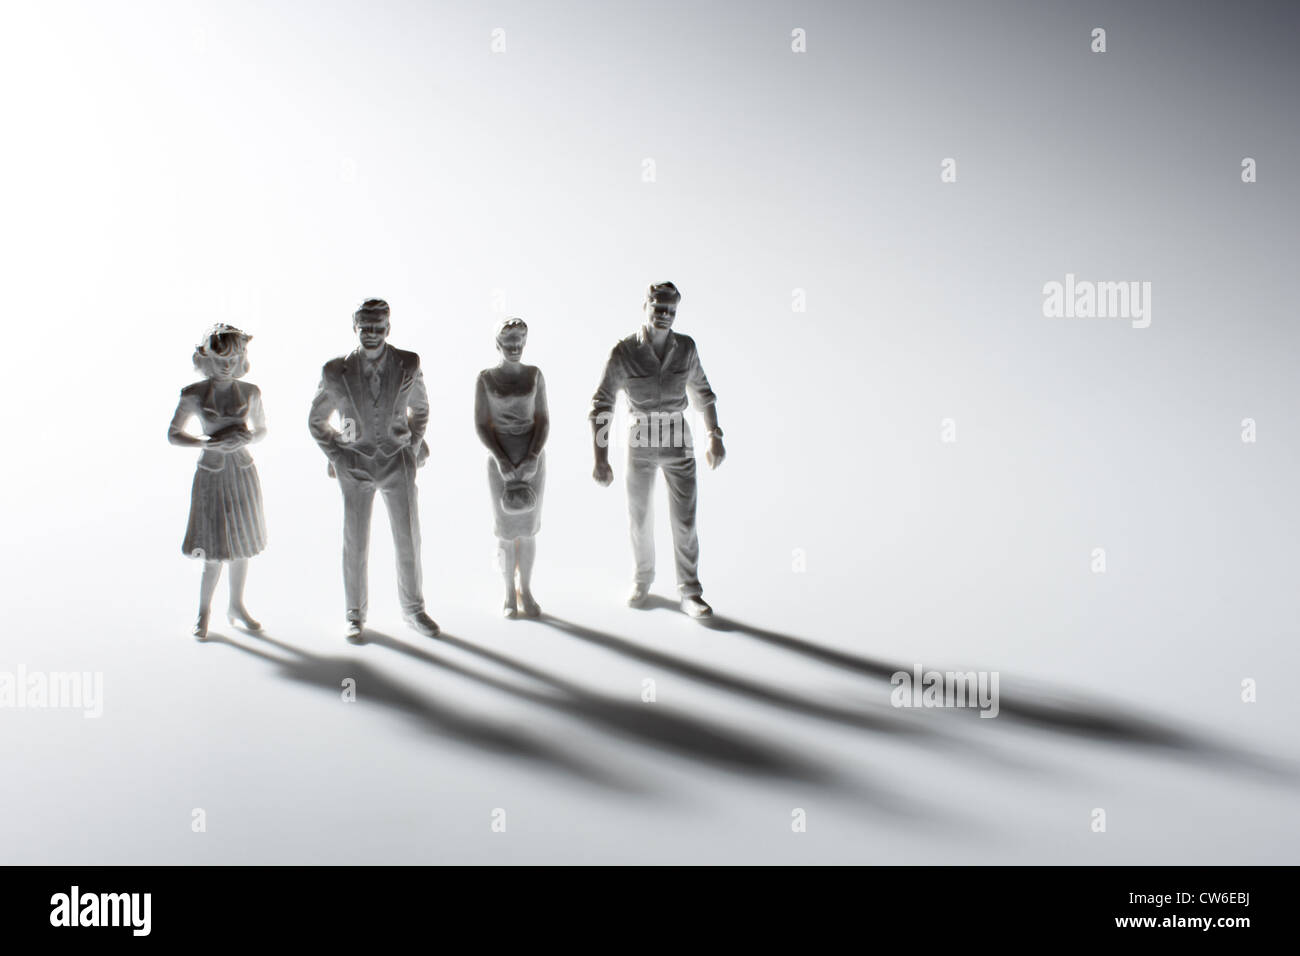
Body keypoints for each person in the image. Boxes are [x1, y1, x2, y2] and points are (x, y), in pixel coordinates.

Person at [589, 282, 726, 618]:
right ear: (646, 306)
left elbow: (703, 393)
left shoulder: (686, 348)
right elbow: (601, 404)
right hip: (640, 439)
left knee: (685, 521)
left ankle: (690, 591)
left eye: (671, 311)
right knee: (639, 517)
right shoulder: (624, 351)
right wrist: (600, 458)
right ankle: (642, 578)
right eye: (658, 308)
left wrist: (714, 434)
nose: (664, 315)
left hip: (678, 437)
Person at [308, 298, 439, 641]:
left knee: (408, 538)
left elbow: (421, 409)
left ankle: (414, 609)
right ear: (355, 328)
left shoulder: (408, 363)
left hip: (398, 462)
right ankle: (355, 613)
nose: (371, 334)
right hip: (356, 465)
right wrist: (338, 454)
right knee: (356, 541)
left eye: (378, 328)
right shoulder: (335, 371)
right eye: (365, 328)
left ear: (388, 328)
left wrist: (410, 446)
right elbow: (317, 421)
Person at [169, 324, 268, 640]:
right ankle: (204, 612)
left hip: (241, 471)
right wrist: (206, 442)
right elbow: (174, 434)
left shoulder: (250, 392)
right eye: (219, 359)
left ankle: (237, 605)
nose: (226, 366)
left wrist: (246, 436)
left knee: (242, 547)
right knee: (213, 552)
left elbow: (262, 429)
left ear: (241, 359)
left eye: (233, 359)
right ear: (207, 358)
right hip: (212, 474)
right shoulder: (194, 394)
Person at [474, 318, 549, 618]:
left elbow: (543, 419)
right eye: (509, 342)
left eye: (520, 341)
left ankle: (526, 590)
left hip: (533, 457)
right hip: (500, 458)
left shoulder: (534, 375)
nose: (515, 347)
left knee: (528, 530)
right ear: (498, 345)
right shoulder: (486, 379)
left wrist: (533, 454)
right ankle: (508, 592)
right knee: (506, 531)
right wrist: (501, 457)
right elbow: (481, 423)